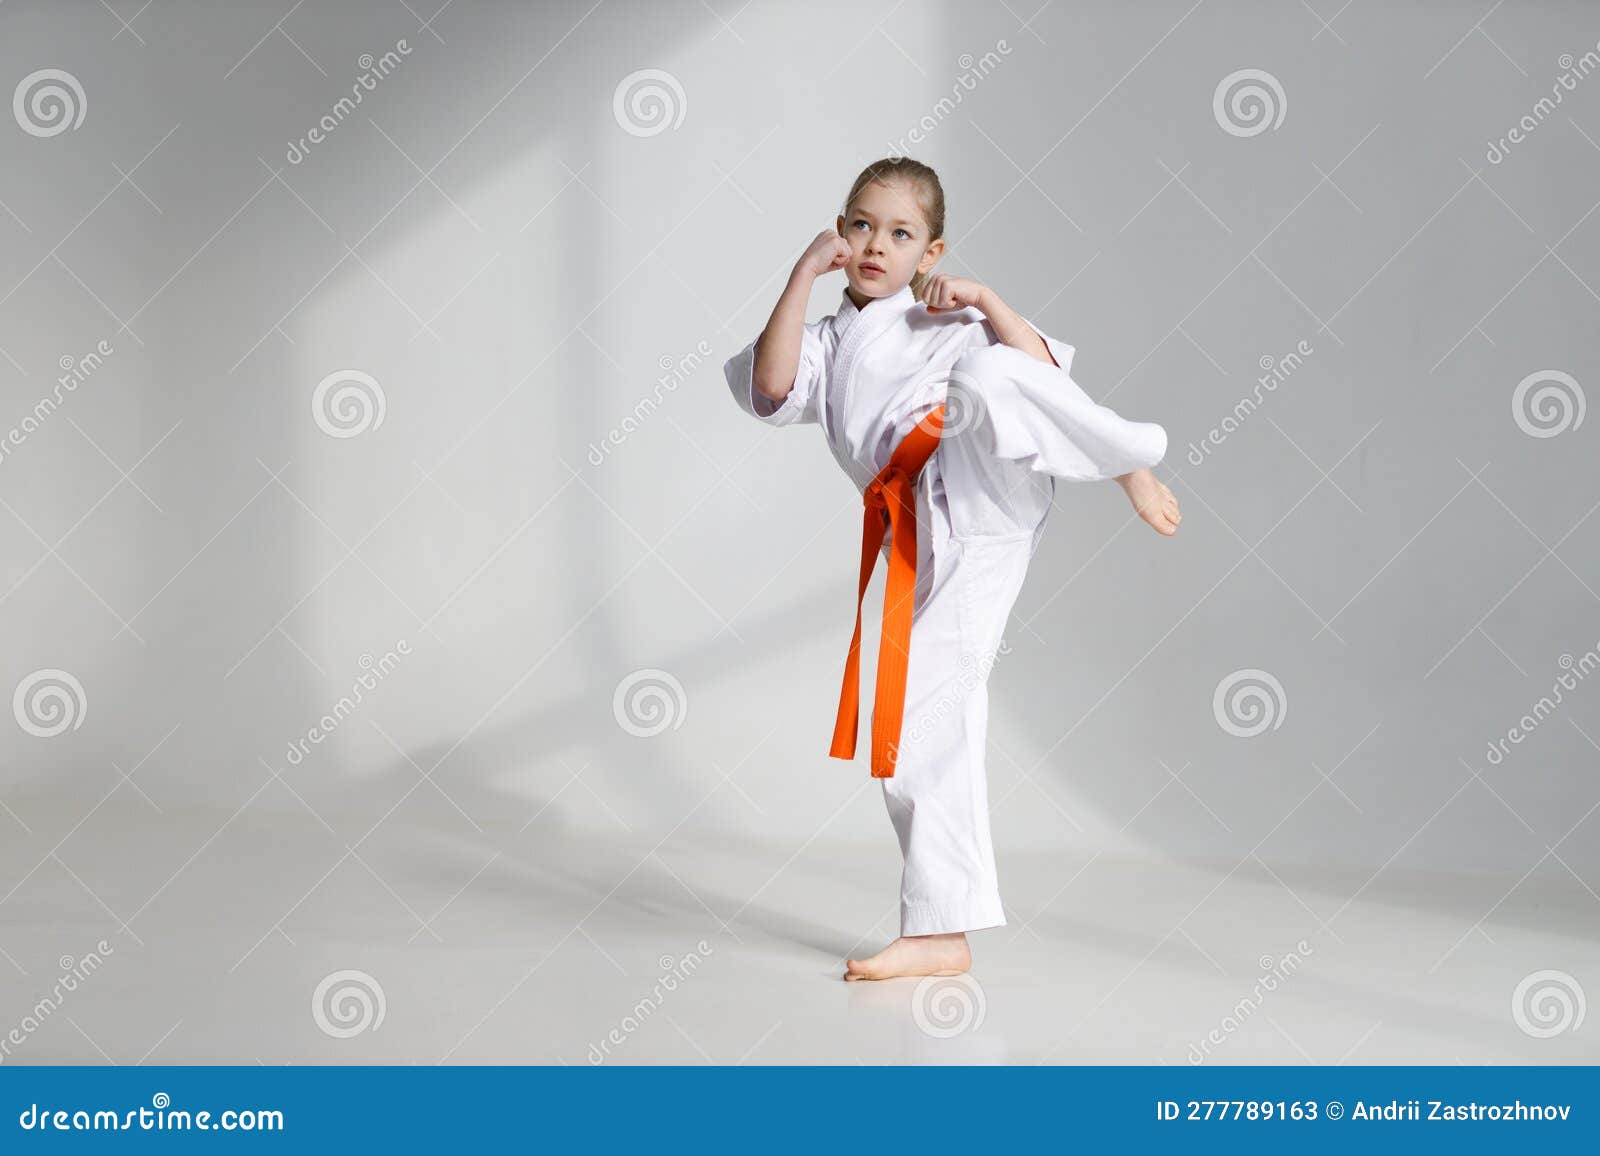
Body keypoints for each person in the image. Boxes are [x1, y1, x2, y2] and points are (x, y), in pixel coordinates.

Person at [723, 156, 1180, 981]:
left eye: (900, 234)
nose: (874, 245)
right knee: (923, 712)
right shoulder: (827, 342)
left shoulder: (944, 321)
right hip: (921, 530)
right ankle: (942, 928)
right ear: (840, 230)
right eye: (860, 225)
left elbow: (1039, 369)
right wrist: (799, 275)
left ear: (929, 254)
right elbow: (770, 385)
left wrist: (986, 301)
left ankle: (1127, 460)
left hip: (982, 487)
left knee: (989, 367)